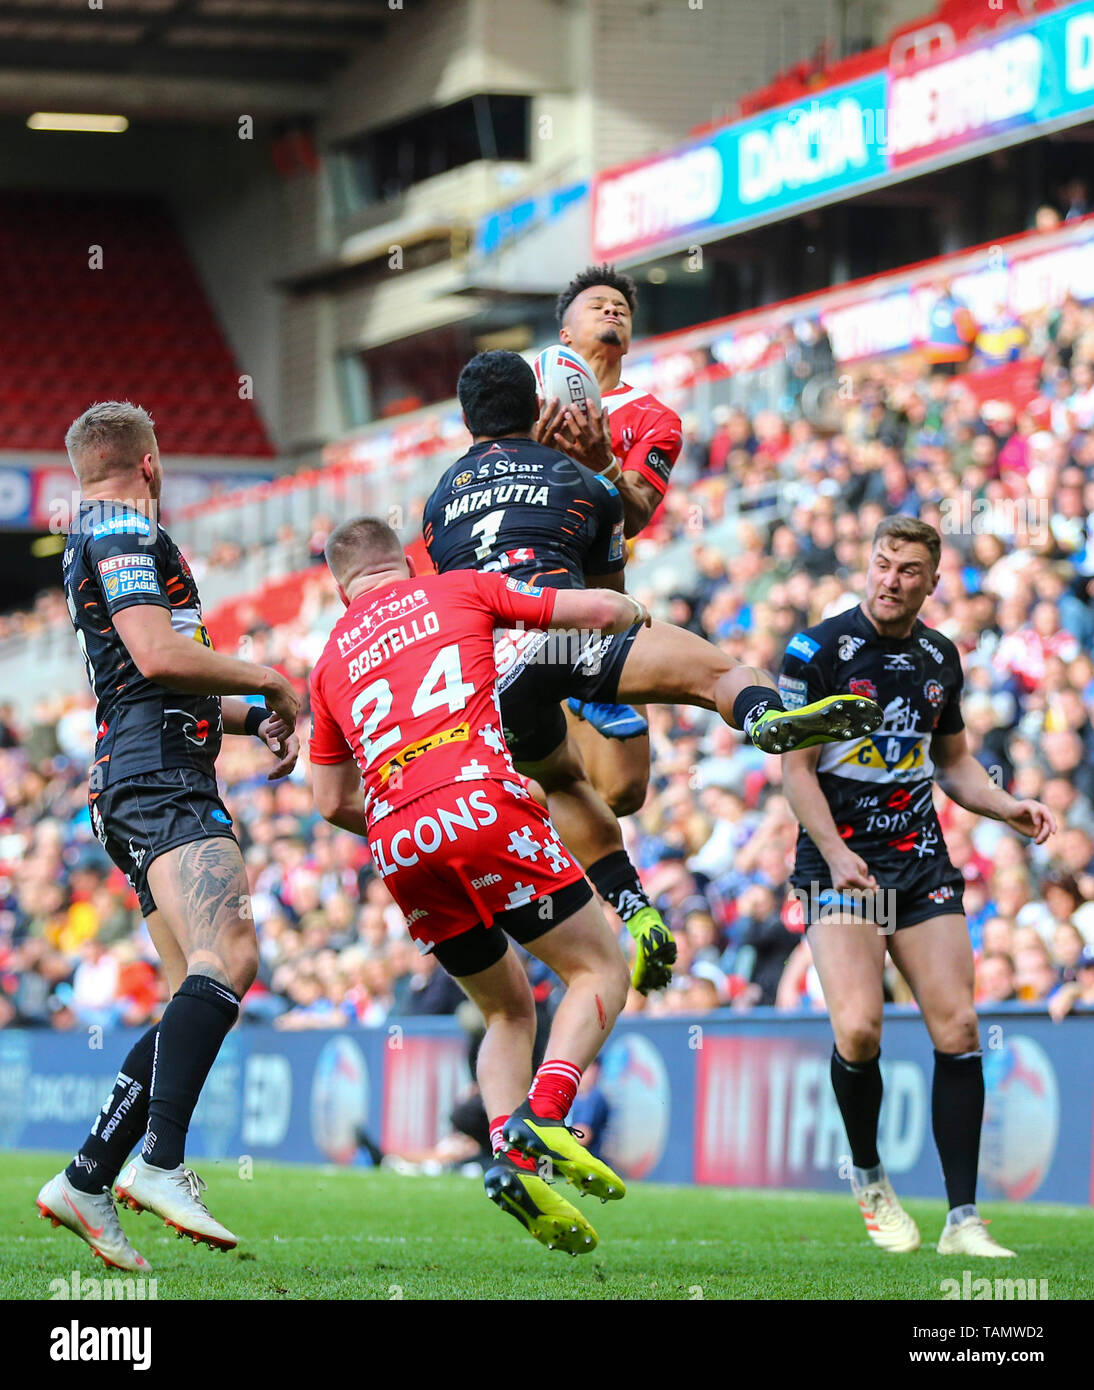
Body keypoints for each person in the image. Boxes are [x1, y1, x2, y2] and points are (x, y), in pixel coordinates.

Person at [423, 351, 882, 994]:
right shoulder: (581, 480)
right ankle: (765, 715)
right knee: (720, 672)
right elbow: (611, 596)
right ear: (537, 407)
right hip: (571, 632)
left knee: (560, 781)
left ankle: (637, 914)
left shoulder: (437, 502)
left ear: (468, 422)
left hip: (494, 680)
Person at [308, 515, 648, 1255]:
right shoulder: (456, 588)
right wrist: (628, 607)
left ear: (342, 589)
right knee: (598, 965)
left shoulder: (331, 656)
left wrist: (408, 817)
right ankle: (546, 1117)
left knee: (505, 1014)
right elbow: (591, 612)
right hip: (480, 799)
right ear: (406, 561)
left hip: (398, 838)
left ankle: (505, 1154)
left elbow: (331, 800)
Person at [37, 401, 300, 1272]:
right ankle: (159, 1161)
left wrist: (248, 712)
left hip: (140, 772)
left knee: (197, 980)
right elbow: (154, 654)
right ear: (151, 465)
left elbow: (149, 683)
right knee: (233, 953)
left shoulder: (101, 528)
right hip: (158, 781)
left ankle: (86, 1177)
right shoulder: (120, 529)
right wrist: (268, 672)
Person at [780, 515, 1055, 1258]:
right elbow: (795, 771)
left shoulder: (941, 656)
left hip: (919, 861)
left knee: (959, 1028)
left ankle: (963, 1220)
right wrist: (835, 854)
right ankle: (868, 1176)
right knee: (861, 1029)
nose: (890, 580)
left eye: (907, 571)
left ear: (932, 584)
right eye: (881, 564)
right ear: (866, 565)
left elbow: (955, 763)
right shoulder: (816, 650)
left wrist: (1008, 806)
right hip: (842, 865)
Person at [536, 265, 683, 817]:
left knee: (622, 791)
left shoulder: (655, 417)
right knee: (531, 784)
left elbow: (640, 513)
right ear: (565, 335)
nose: (612, 309)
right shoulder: (525, 401)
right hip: (517, 596)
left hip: (600, 586)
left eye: (621, 306)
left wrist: (603, 467)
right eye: (597, 303)